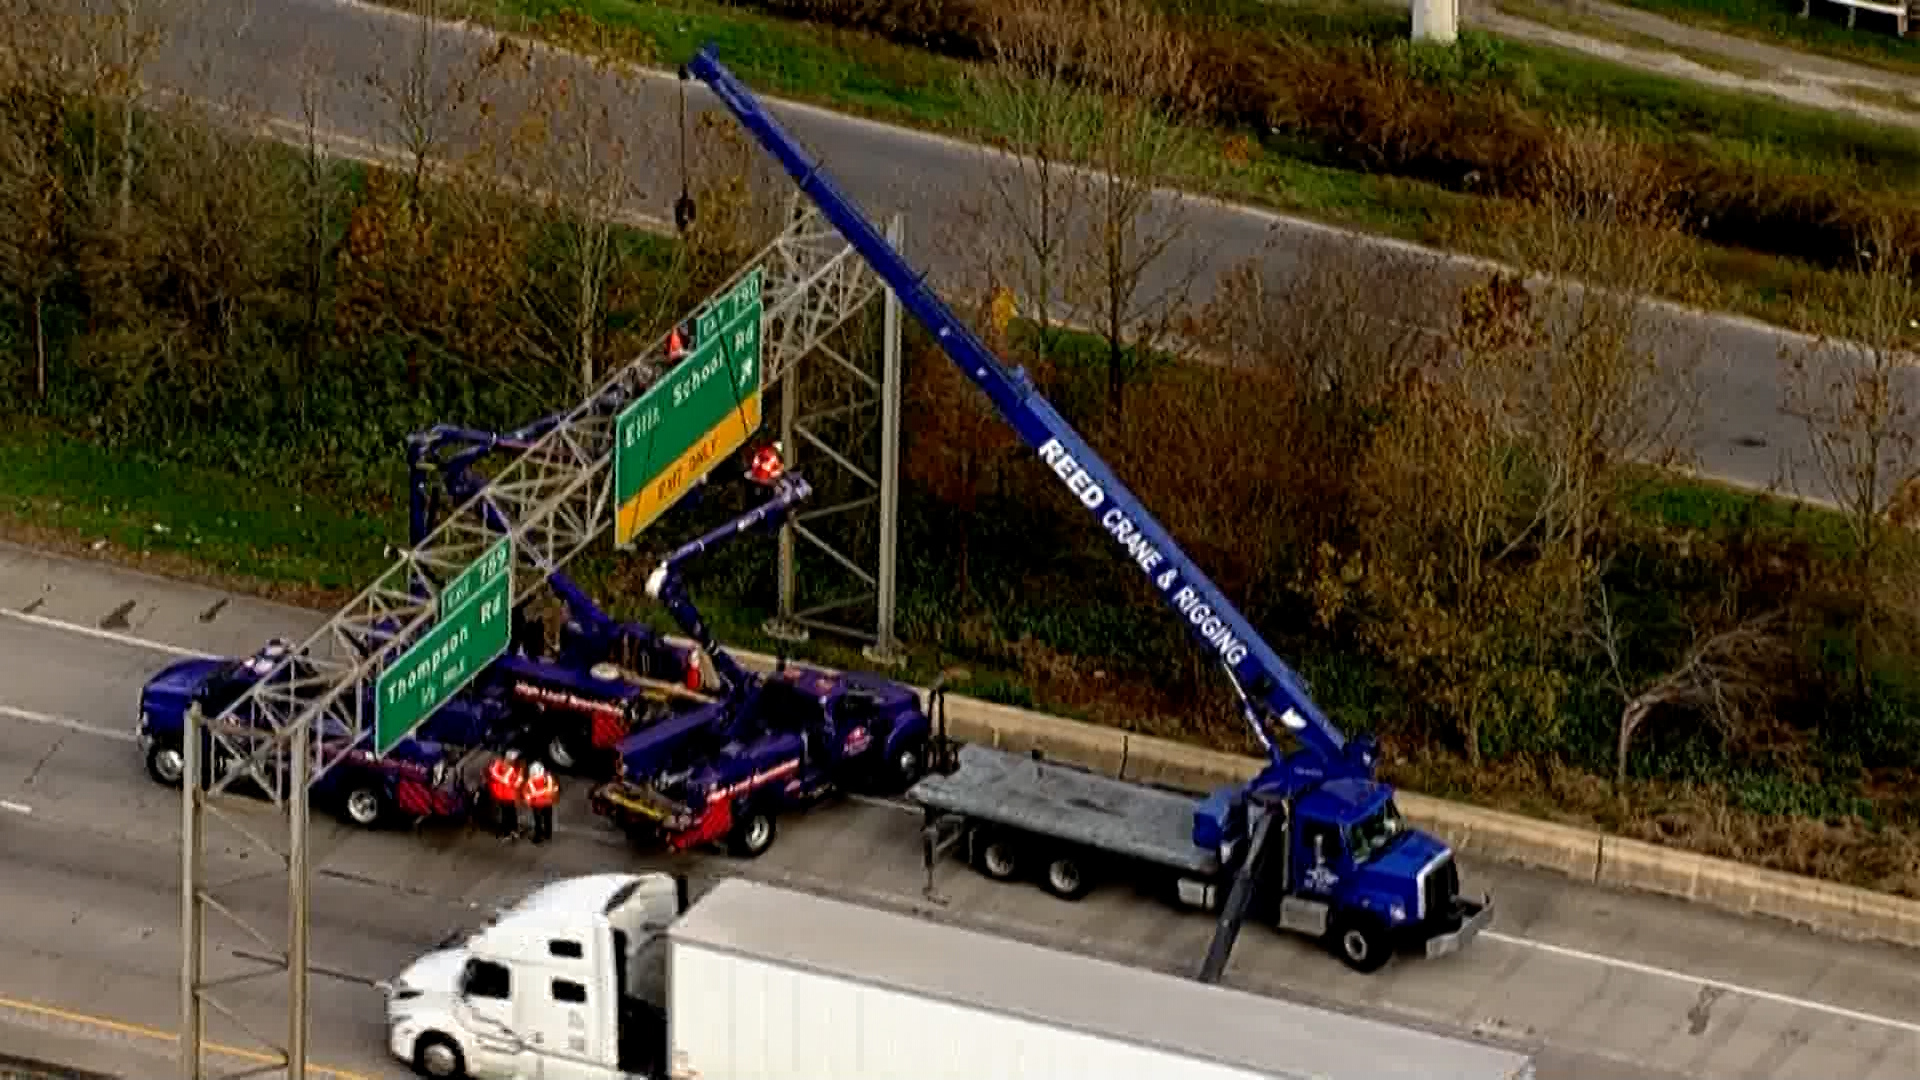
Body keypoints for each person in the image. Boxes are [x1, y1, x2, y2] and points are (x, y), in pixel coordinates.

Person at [485, 750, 525, 839]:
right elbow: (495, 775)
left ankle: (511, 829)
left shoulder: (509, 765)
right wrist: (507, 778)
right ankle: (508, 831)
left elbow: (517, 777)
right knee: (507, 813)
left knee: (509, 812)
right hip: (504, 794)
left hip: (506, 794)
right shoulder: (503, 766)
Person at [524, 761, 559, 845]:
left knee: (538, 822)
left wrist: (529, 801)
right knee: (548, 819)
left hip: (537, 805)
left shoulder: (530, 781)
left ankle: (538, 837)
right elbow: (553, 789)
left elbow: (527, 793)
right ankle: (548, 835)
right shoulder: (548, 777)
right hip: (547, 803)